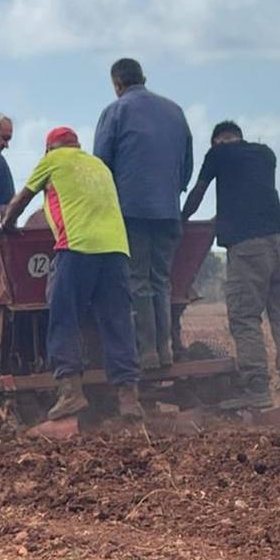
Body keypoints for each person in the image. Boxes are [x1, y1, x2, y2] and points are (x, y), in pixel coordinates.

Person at [1, 127, 143, 421]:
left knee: (64, 317)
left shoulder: (52, 161)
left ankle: (70, 392)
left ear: (48, 149)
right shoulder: (99, 165)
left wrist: (6, 226)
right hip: (117, 249)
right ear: (78, 146)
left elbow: (20, 200)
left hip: (76, 247)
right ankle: (128, 398)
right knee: (117, 322)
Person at [181, 120, 280, 411]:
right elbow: (249, 194)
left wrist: (180, 220)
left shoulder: (218, 154)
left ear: (218, 141)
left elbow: (198, 192)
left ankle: (257, 389)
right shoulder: (265, 154)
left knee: (245, 317)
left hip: (247, 248)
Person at [93, 58, 193, 369]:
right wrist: (171, 192)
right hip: (168, 211)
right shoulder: (175, 111)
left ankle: (146, 351)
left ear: (117, 85)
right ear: (143, 78)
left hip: (130, 211)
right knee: (161, 279)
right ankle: (165, 349)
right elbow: (187, 166)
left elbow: (101, 165)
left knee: (137, 279)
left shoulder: (115, 111)